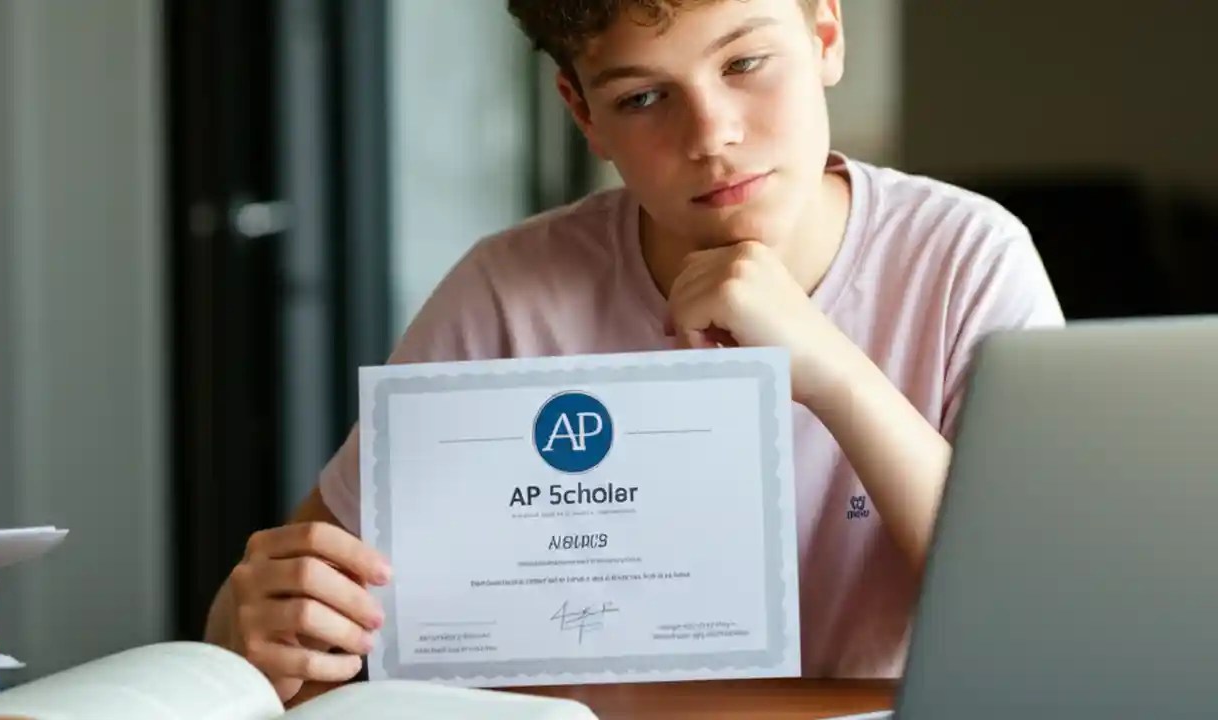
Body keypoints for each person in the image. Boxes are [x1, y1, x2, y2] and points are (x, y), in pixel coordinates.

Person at [204, 0, 1065, 705]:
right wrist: (248, 627)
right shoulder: (506, 294)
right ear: (585, 115)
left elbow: (1045, 619)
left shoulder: (966, 259)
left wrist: (835, 374)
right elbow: (295, 620)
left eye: (744, 63)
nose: (712, 133)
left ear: (824, 33)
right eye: (643, 98)